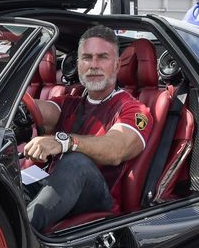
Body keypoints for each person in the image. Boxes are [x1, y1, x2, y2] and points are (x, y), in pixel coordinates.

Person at [23, 26, 152, 231]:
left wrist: (64, 142)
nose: (93, 65)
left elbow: (115, 149)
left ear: (117, 65)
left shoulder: (134, 109)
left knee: (77, 162)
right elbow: (41, 109)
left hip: (100, 202)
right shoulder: (70, 101)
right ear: (79, 64)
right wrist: (15, 105)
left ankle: (21, 236)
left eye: (102, 57)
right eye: (87, 58)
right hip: (57, 187)